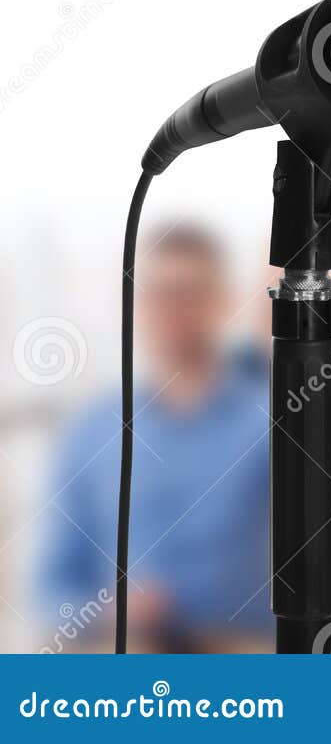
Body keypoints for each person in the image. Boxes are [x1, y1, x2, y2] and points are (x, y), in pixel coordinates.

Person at [36, 227, 273, 651]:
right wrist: (107, 610)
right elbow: (50, 588)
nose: (172, 309)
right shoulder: (91, 430)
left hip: (242, 651)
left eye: (188, 292)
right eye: (156, 293)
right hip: (122, 647)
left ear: (222, 300)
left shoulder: (276, 421)